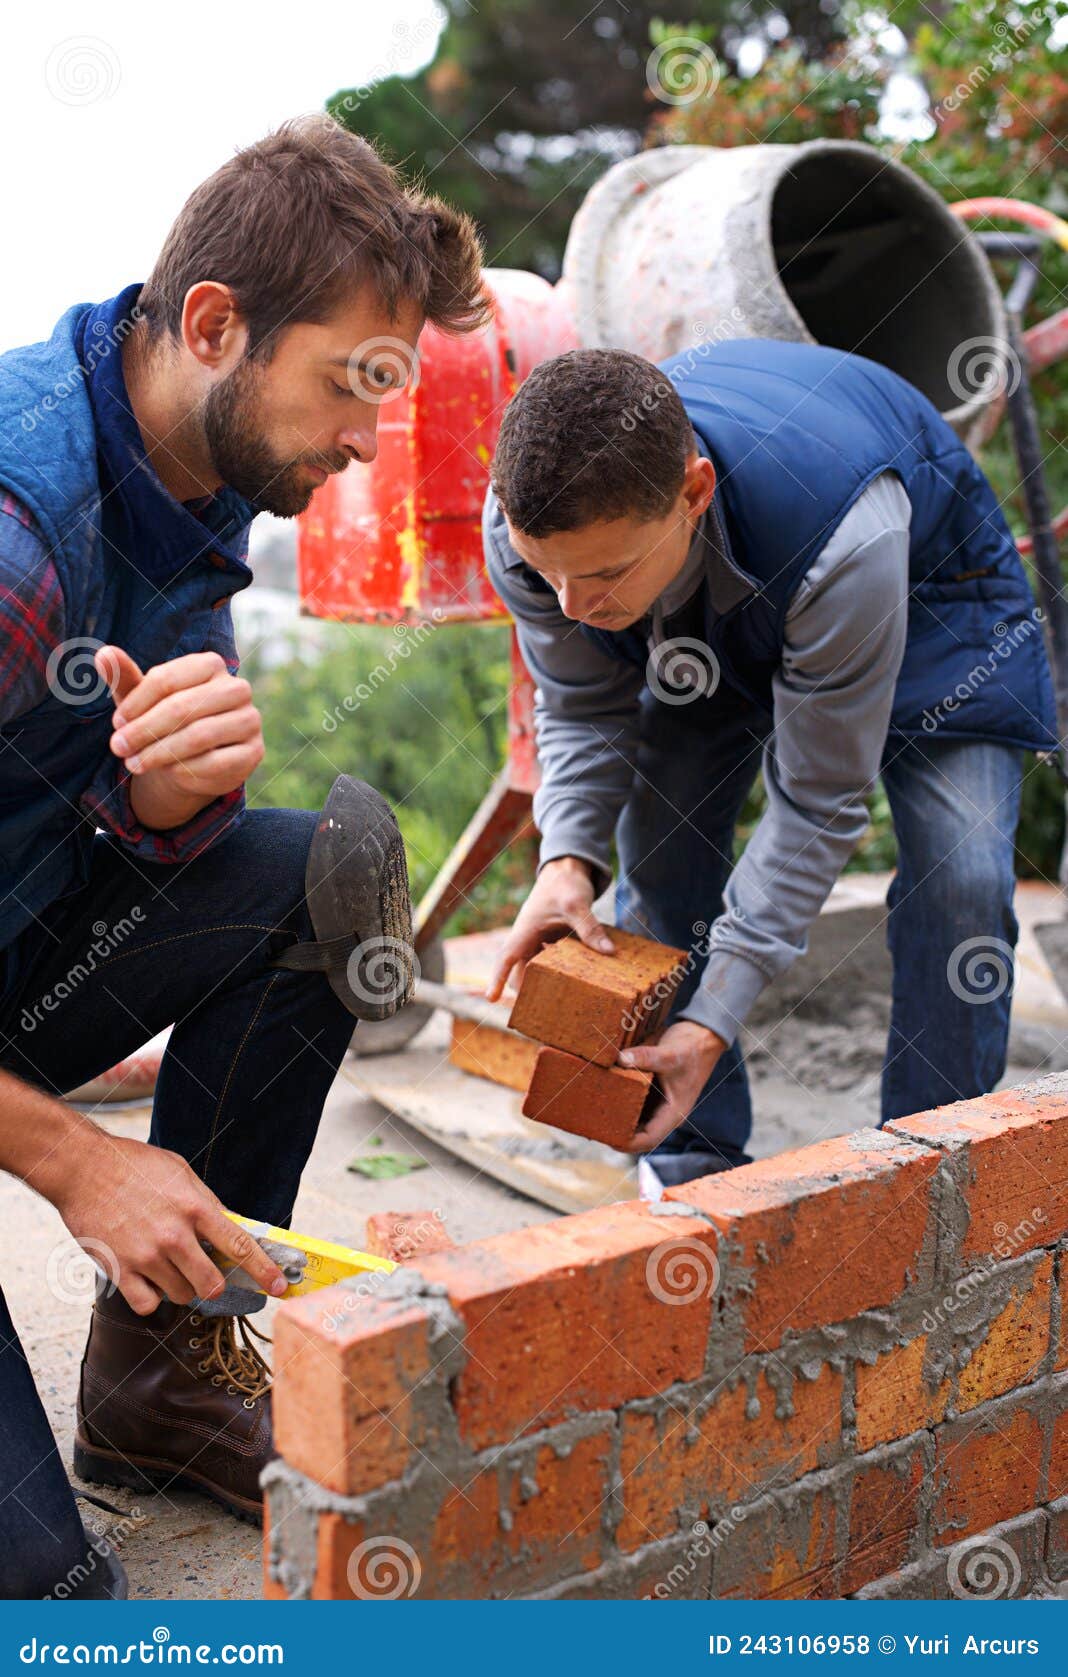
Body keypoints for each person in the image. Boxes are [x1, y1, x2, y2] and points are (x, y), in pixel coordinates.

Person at [0, 113, 488, 1597]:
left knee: (314, 864)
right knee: (55, 1603)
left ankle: (158, 1376)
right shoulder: (17, 539)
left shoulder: (197, 475)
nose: (367, 440)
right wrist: (79, 1161)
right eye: (350, 383)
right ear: (214, 325)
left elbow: (139, 816)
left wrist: (158, 807)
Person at [484, 342, 1058, 1192]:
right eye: (548, 574)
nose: (572, 607)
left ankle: (929, 1174)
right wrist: (565, 860)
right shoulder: (534, 530)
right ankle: (691, 1155)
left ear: (694, 493)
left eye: (603, 574)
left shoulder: (844, 538)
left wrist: (716, 1012)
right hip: (713, 601)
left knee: (961, 876)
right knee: (661, 844)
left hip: (929, 600)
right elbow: (581, 709)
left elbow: (819, 801)